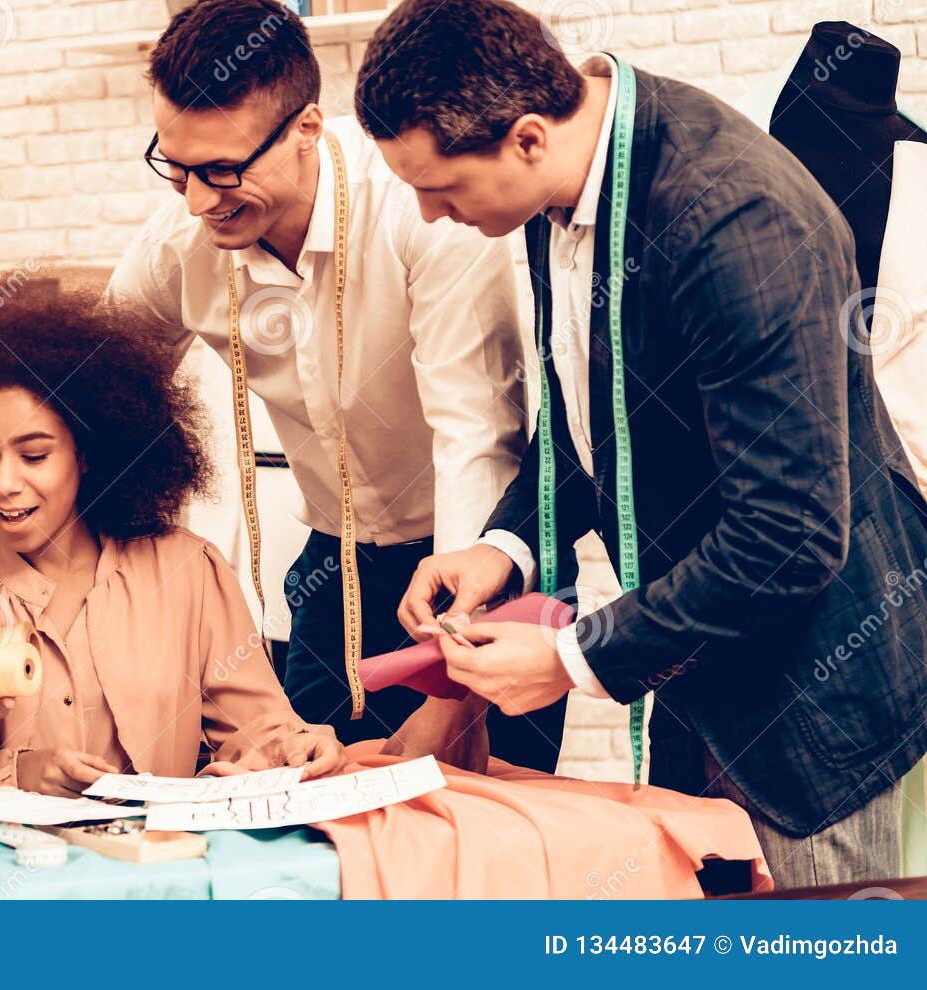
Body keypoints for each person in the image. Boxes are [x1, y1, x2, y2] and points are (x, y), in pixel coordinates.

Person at [359, 0, 927, 885]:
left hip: (809, 708)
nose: (431, 217)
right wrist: (503, 547)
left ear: (527, 138)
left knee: (825, 957)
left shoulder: (736, 219)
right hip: (692, 667)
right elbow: (592, 411)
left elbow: (790, 537)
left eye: (442, 189)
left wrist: (571, 658)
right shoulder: (566, 187)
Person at [103, 0, 563, 769]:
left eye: (222, 170)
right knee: (319, 819)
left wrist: (453, 679)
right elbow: (94, 392)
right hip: (334, 564)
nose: (195, 200)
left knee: (483, 824)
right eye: (176, 168)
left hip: (478, 559)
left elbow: (474, 437)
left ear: (307, 129)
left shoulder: (422, 205)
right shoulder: (182, 239)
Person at [0, 295, 344, 797]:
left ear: (87, 453)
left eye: (34, 455)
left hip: (164, 863)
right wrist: (16, 776)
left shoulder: (188, 571)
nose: (3, 482)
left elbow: (257, 731)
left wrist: (293, 749)